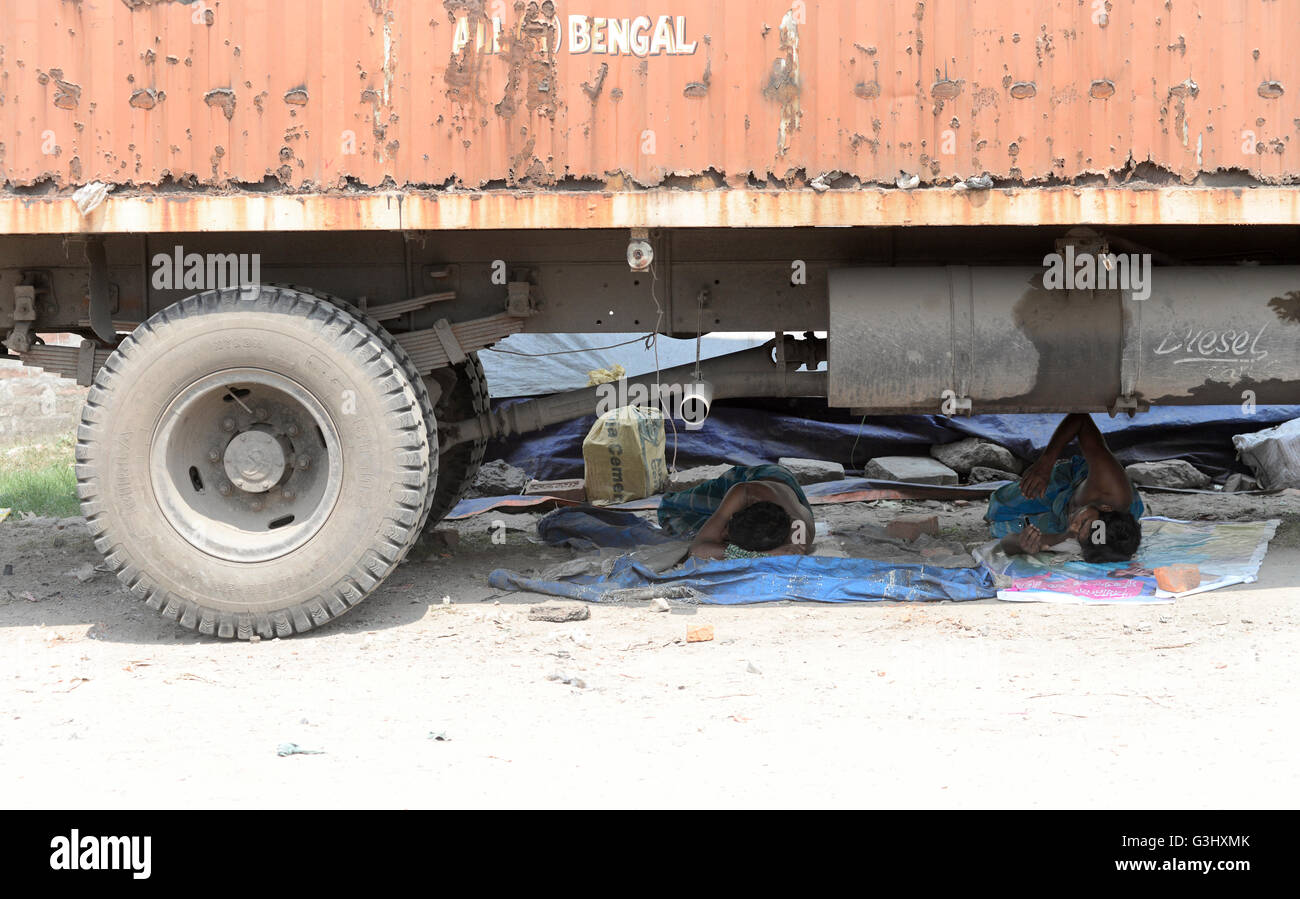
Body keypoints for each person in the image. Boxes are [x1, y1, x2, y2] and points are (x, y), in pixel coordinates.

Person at [985, 413, 1143, 562]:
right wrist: (1045, 463)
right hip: (1073, 481)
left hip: (1068, 517)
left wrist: (1025, 544)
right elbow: (1081, 418)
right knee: (1001, 502)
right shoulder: (1110, 486)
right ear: (1106, 507)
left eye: (1079, 534)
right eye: (1082, 522)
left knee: (999, 529)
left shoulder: (1091, 538)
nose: (1073, 525)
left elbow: (1008, 542)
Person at [657, 463, 815, 560]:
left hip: (786, 492)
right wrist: (756, 556)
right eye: (726, 528)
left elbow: (793, 555)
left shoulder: (798, 528)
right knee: (671, 508)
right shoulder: (744, 492)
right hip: (762, 477)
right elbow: (697, 550)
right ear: (736, 513)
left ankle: (713, 527)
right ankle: (717, 523)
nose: (723, 534)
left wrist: (740, 553)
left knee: (703, 532)